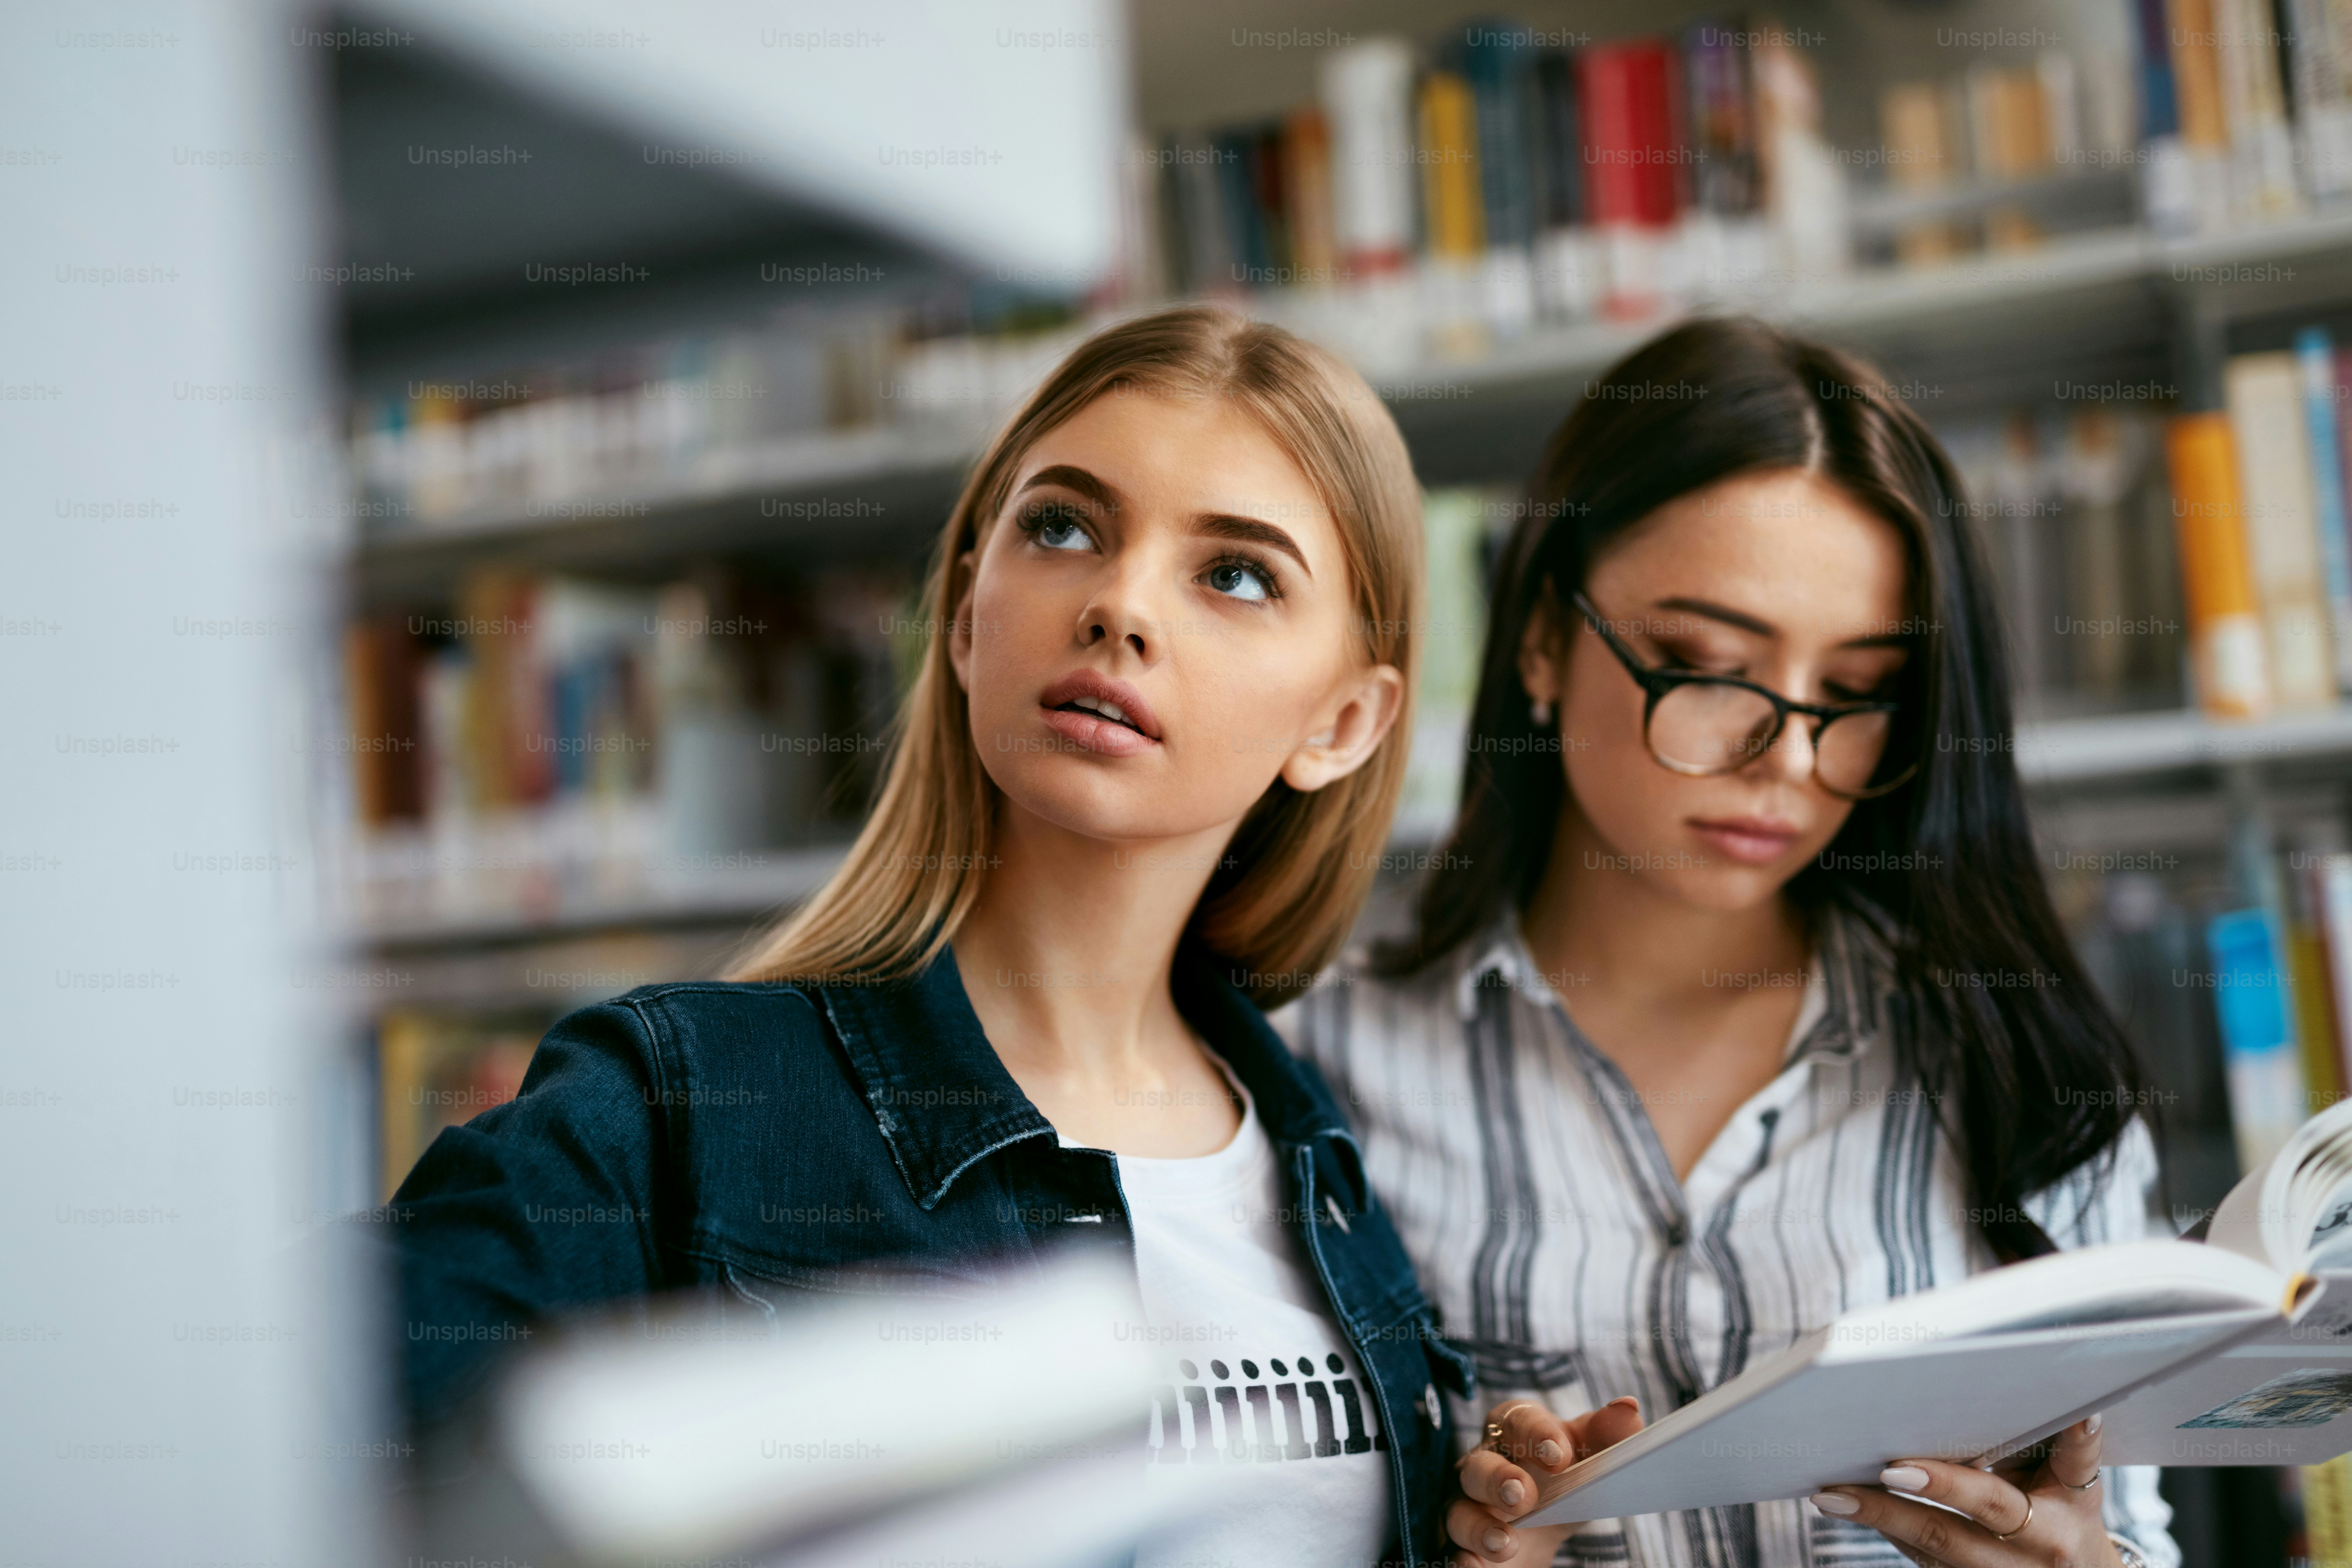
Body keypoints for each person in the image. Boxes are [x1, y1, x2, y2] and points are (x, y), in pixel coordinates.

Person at [385, 304, 1603, 1567]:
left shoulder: (1330, 1161)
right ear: (966, 615)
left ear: (1343, 722)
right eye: (1064, 527)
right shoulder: (674, 1103)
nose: (1119, 605)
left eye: (1234, 574)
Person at [1276, 317, 2175, 1568]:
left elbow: (2132, 1529)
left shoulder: (2017, 1056)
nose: (1791, 764)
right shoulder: (1319, 1072)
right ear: (1541, 637)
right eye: (1701, 666)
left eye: (1855, 695)